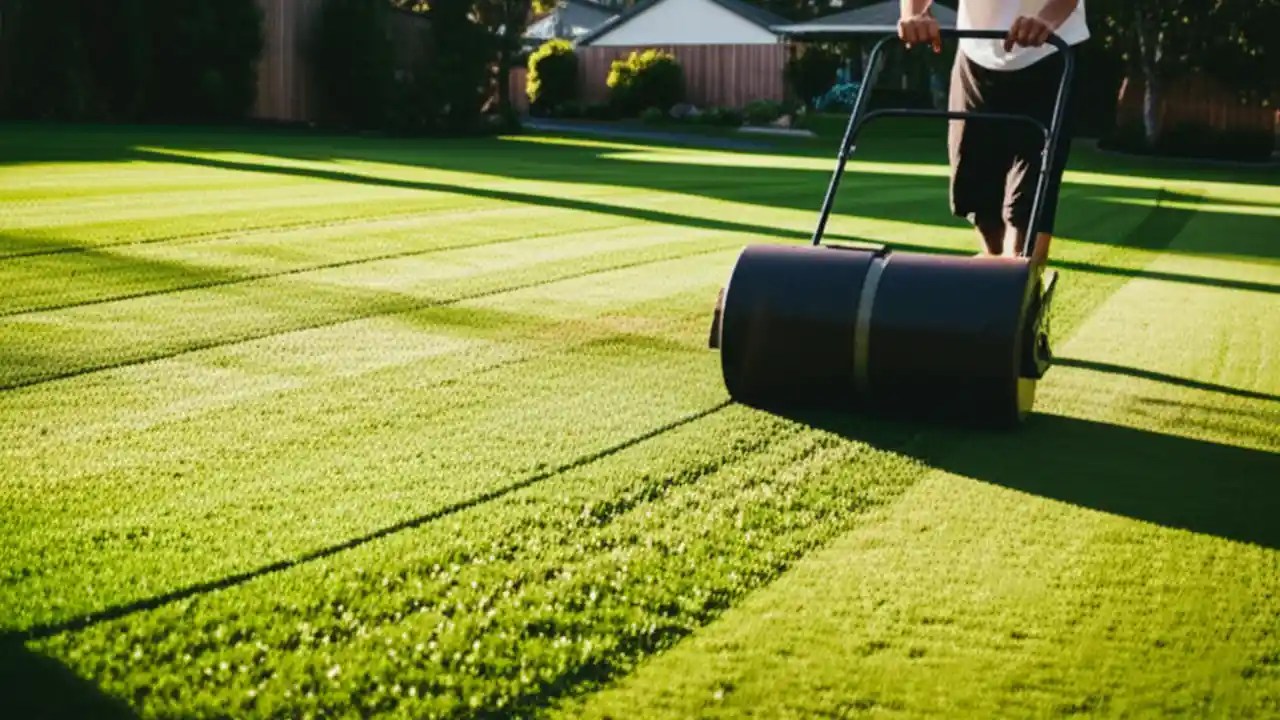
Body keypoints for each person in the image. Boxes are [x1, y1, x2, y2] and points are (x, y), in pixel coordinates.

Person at [898, 0, 1089, 272]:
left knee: (1030, 200)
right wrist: (915, 15)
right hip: (976, 54)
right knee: (975, 193)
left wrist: (1046, 20)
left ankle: (1021, 289)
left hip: (1049, 53)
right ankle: (993, 275)